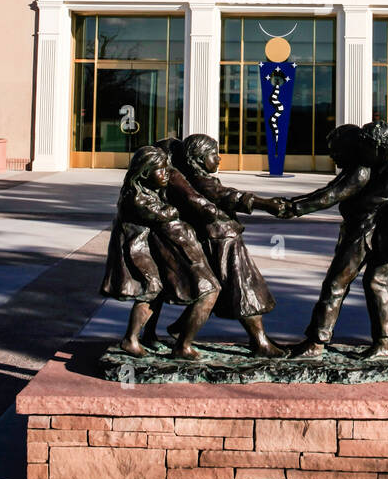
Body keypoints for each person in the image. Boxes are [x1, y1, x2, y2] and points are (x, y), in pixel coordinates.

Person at [279, 122, 388, 358]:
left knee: (360, 282)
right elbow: (336, 192)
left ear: (378, 147)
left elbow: (348, 200)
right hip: (379, 232)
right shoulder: (375, 164)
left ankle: (358, 343)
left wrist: (295, 207)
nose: (333, 156)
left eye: (365, 147)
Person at [150, 134, 287, 358]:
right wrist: (264, 203)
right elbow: (227, 196)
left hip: (218, 238)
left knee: (220, 289)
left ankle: (182, 329)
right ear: (198, 158)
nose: (219, 158)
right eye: (214, 154)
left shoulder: (194, 177)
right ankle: (259, 342)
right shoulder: (200, 180)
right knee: (244, 287)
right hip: (222, 240)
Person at [101, 145, 219, 359]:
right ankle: (130, 339)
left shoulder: (149, 191)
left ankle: (147, 335)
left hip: (147, 248)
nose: (166, 174)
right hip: (137, 252)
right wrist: (180, 207)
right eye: (161, 170)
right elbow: (163, 213)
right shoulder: (136, 197)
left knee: (158, 290)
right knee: (151, 289)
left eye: (167, 168)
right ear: (145, 173)